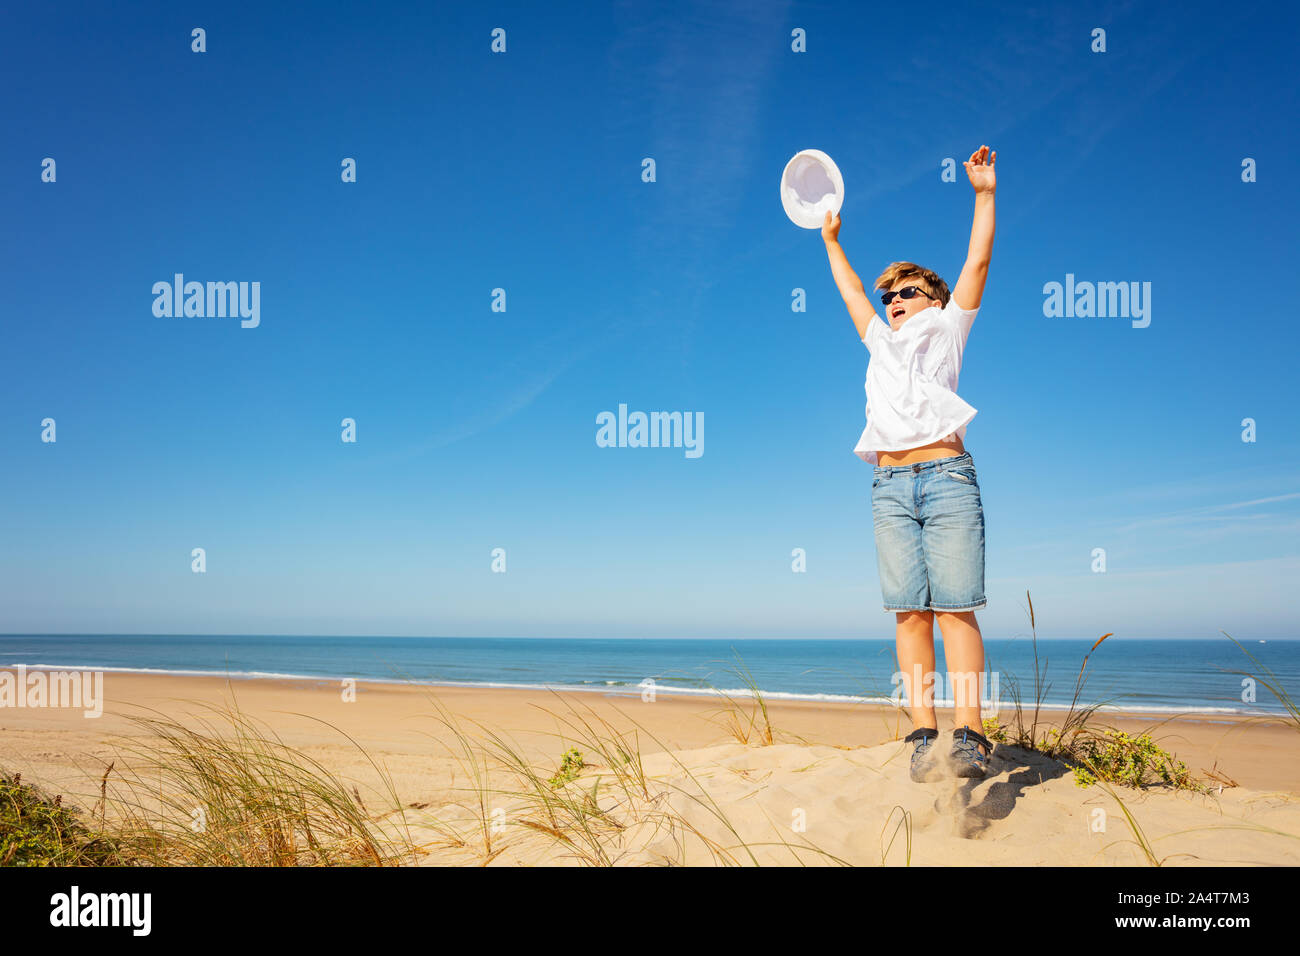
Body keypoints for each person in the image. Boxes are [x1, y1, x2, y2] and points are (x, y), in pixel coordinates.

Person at [821, 145, 997, 781]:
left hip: (947, 478)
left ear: (935, 299)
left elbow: (977, 259)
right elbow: (847, 291)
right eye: (890, 292)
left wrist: (982, 194)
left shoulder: (948, 328)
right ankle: (923, 731)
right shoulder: (879, 342)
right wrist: (831, 238)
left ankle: (971, 733)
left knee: (955, 608)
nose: (894, 299)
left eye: (907, 291)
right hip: (887, 484)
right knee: (909, 611)